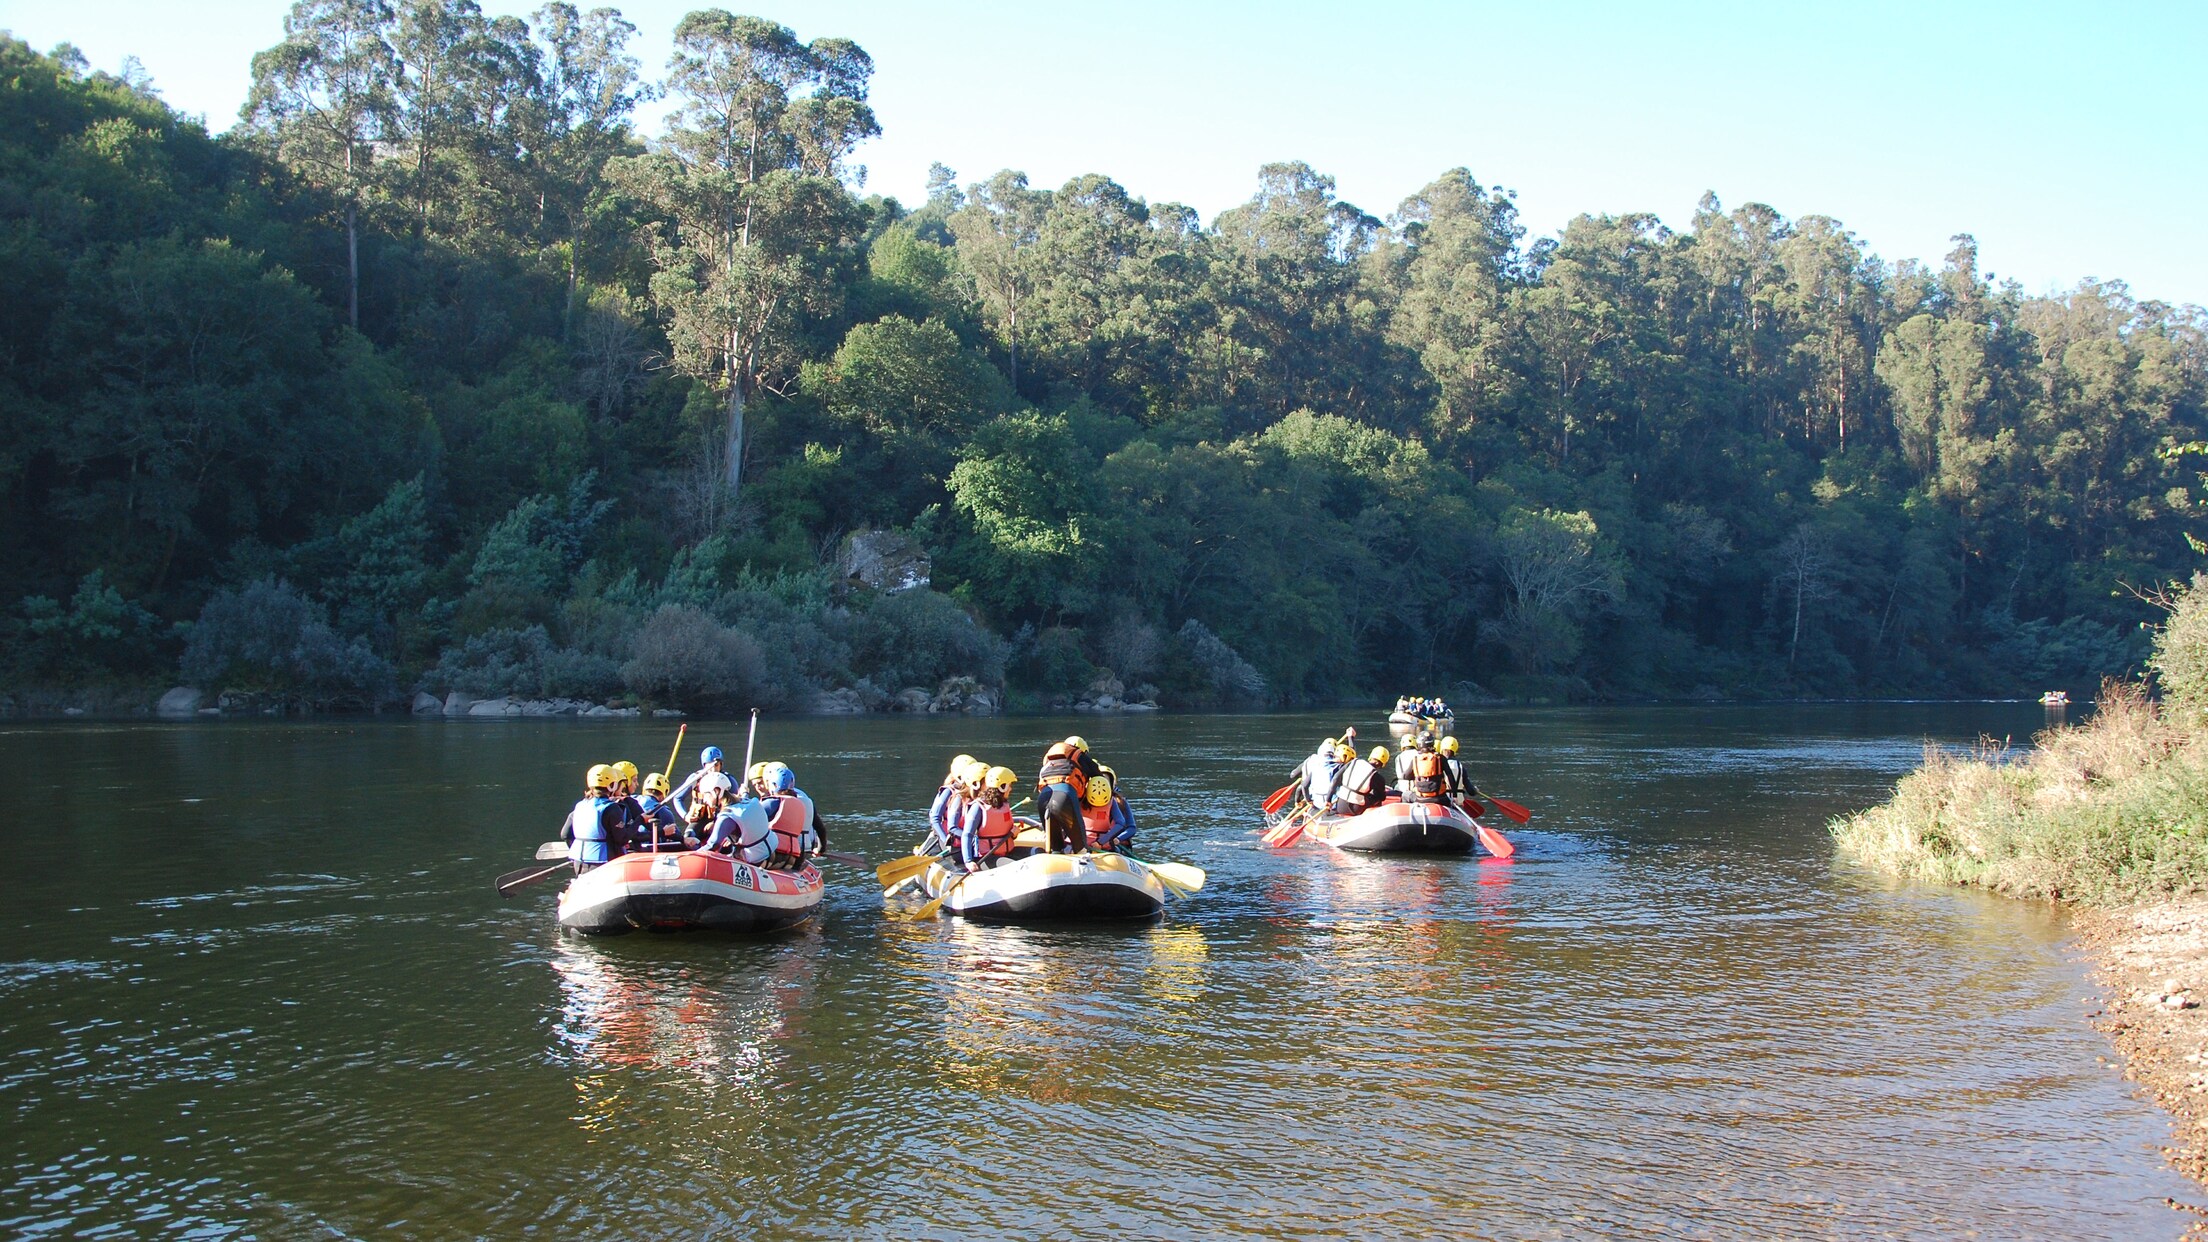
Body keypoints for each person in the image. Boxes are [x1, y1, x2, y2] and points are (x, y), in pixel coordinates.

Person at [1036, 735, 1100, 854]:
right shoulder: (1080, 755)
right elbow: (1099, 779)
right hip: (1064, 797)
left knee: (1056, 849)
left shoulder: (1049, 761)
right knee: (1081, 849)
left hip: (1043, 800)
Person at [755, 761, 825, 870]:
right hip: (801, 853)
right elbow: (820, 828)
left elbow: (751, 820)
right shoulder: (806, 801)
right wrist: (821, 849)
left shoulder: (772, 802)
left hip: (776, 853)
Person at [955, 766, 1020, 870]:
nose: (1011, 789)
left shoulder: (1004, 804)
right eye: (1010, 785)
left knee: (1037, 852)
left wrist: (1014, 834)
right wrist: (968, 861)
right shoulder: (978, 807)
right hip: (987, 856)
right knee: (1014, 865)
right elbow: (967, 835)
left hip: (1007, 852)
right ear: (1002, 786)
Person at [561, 764, 622, 869]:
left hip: (578, 861)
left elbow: (565, 835)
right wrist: (639, 821)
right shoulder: (612, 808)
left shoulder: (580, 806)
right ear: (613, 785)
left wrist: (575, 847)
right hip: (602, 861)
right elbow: (621, 839)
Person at [928, 754, 978, 852]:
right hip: (948, 839)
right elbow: (934, 818)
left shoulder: (973, 791)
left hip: (964, 836)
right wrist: (945, 840)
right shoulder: (948, 791)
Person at [1332, 746, 1390, 817]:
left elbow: (1335, 778)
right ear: (1382, 763)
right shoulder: (1377, 776)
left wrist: (1328, 800)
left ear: (1370, 757)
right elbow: (1381, 797)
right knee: (1377, 799)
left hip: (1340, 805)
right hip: (1356, 809)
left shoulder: (1354, 762)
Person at [1287, 738, 1342, 812]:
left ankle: (1299, 801)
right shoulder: (1334, 764)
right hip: (1322, 796)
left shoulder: (1309, 760)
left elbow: (1292, 775)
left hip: (1310, 794)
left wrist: (1303, 774)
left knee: (1301, 786)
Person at [638, 772, 690, 849]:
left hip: (634, 846)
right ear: (664, 793)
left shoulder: (632, 801)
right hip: (651, 848)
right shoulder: (664, 811)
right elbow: (675, 834)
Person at [671, 745, 727, 814]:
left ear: (721, 765)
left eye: (716, 765)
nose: (713, 769)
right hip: (699, 819)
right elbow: (678, 798)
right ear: (704, 766)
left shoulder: (727, 780)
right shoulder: (695, 778)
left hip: (721, 816)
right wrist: (685, 816)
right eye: (710, 766)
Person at [1093, 764, 1137, 851]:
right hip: (1093, 843)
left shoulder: (1120, 802)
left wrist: (1118, 839)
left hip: (1115, 845)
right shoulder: (1084, 803)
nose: (1100, 787)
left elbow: (1131, 828)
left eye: (1105, 782)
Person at [1402, 733, 1450, 804]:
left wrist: (1417, 776)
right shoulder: (1440, 758)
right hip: (1439, 798)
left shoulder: (1415, 759)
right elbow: (1450, 777)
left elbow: (1405, 776)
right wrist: (1454, 796)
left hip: (1420, 798)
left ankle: (1408, 812)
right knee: (1449, 801)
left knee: (1404, 795)